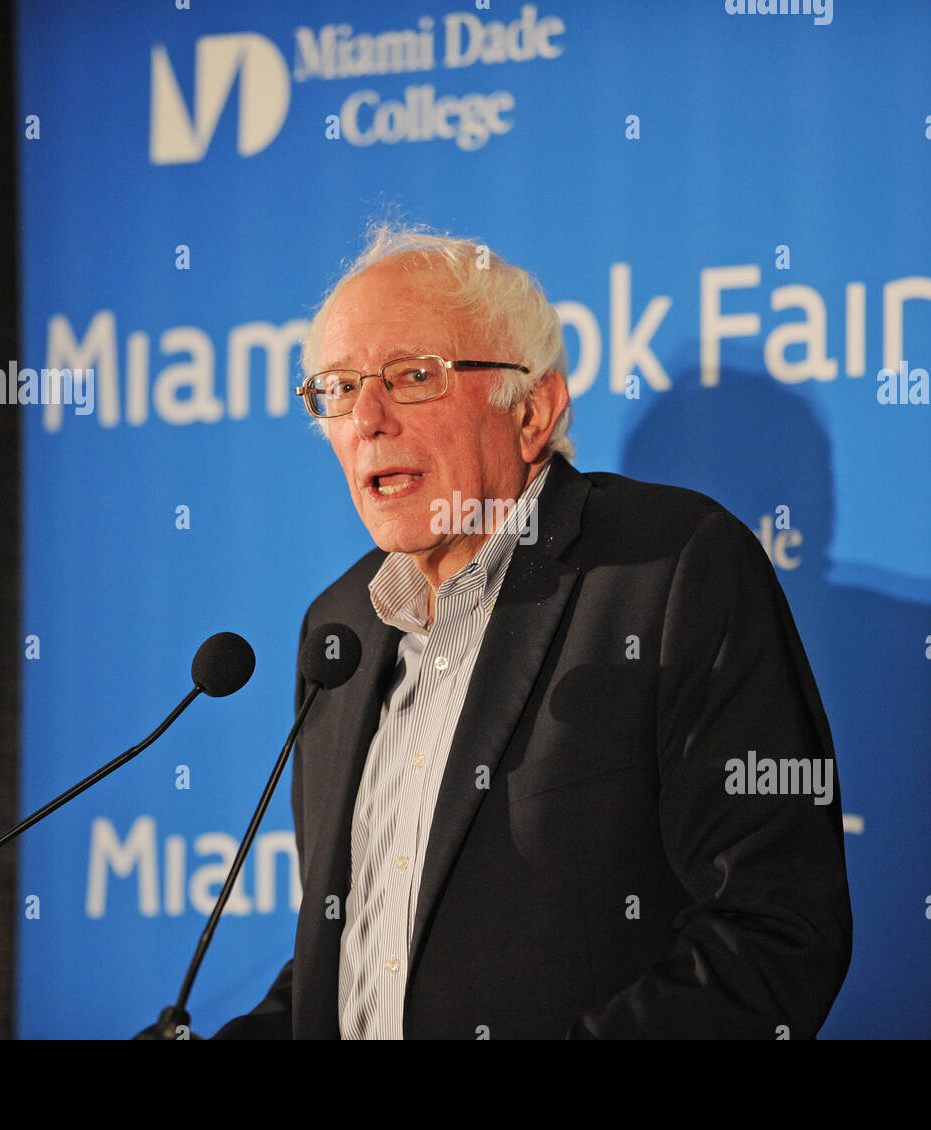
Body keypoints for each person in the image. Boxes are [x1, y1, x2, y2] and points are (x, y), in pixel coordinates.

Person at [214, 224, 851, 1040]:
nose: (366, 418)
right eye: (336, 388)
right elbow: (357, 970)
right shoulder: (341, 629)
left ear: (532, 411)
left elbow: (774, 930)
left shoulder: (668, 570)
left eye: (412, 376)